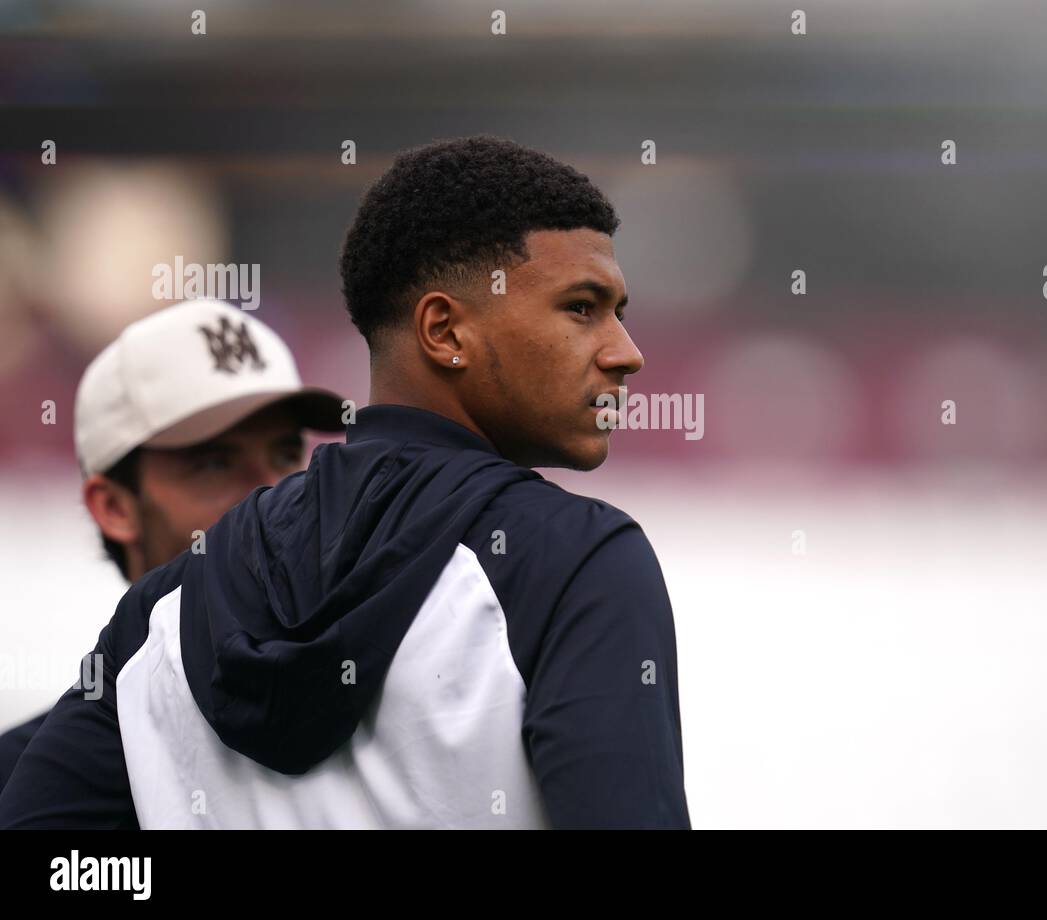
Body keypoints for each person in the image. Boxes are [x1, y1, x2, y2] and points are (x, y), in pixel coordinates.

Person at [0, 135, 691, 829]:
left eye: (618, 313)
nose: (624, 354)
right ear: (444, 331)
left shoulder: (166, 605)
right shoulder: (578, 560)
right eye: (582, 307)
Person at [0, 298, 344, 793]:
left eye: (287, 454)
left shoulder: (392, 698)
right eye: (214, 464)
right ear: (115, 507)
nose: (273, 495)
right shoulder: (29, 778)